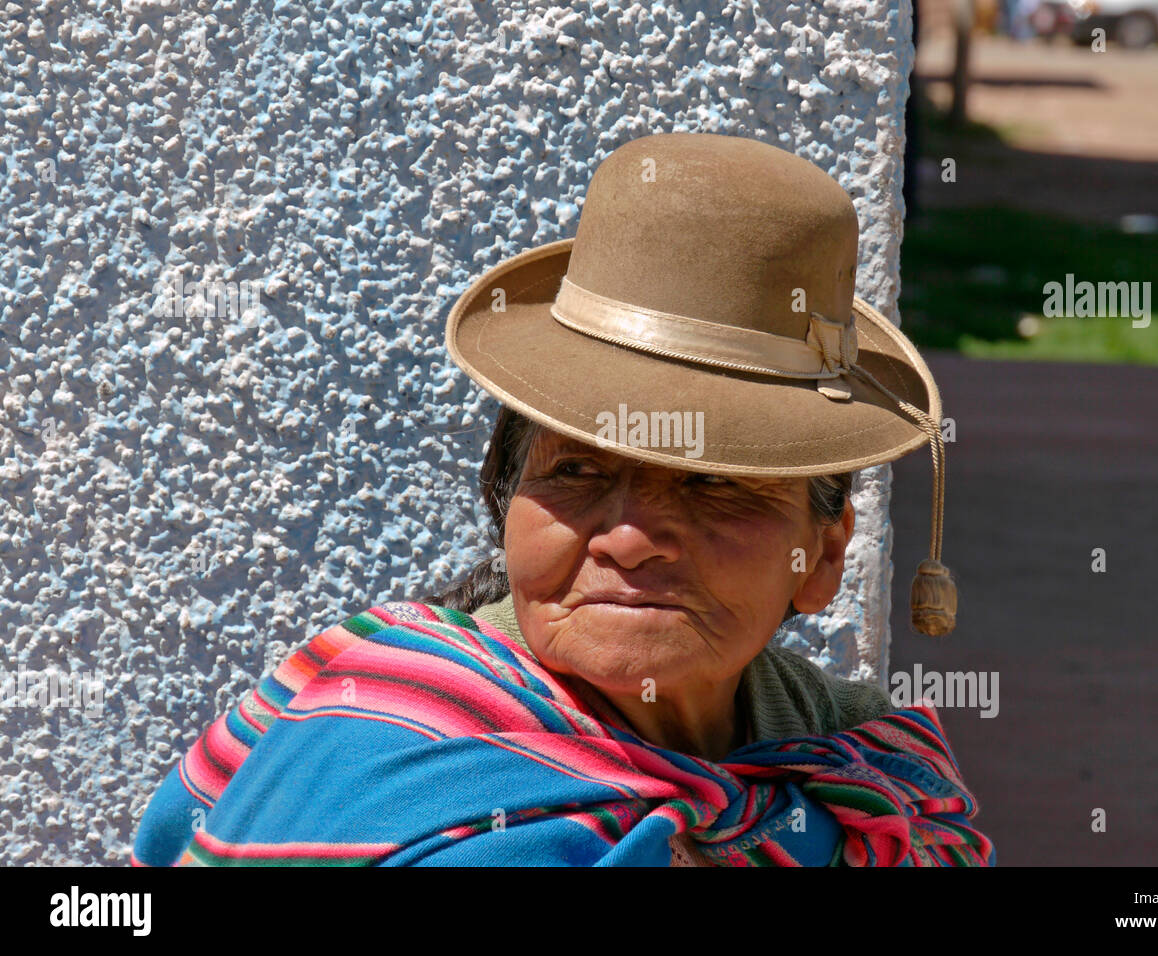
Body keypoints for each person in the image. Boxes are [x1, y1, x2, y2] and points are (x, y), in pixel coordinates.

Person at [131, 132, 992, 867]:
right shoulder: (380, 748)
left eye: (714, 483)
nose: (628, 537)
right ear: (506, 500)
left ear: (826, 555)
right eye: (575, 474)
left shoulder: (861, 760)